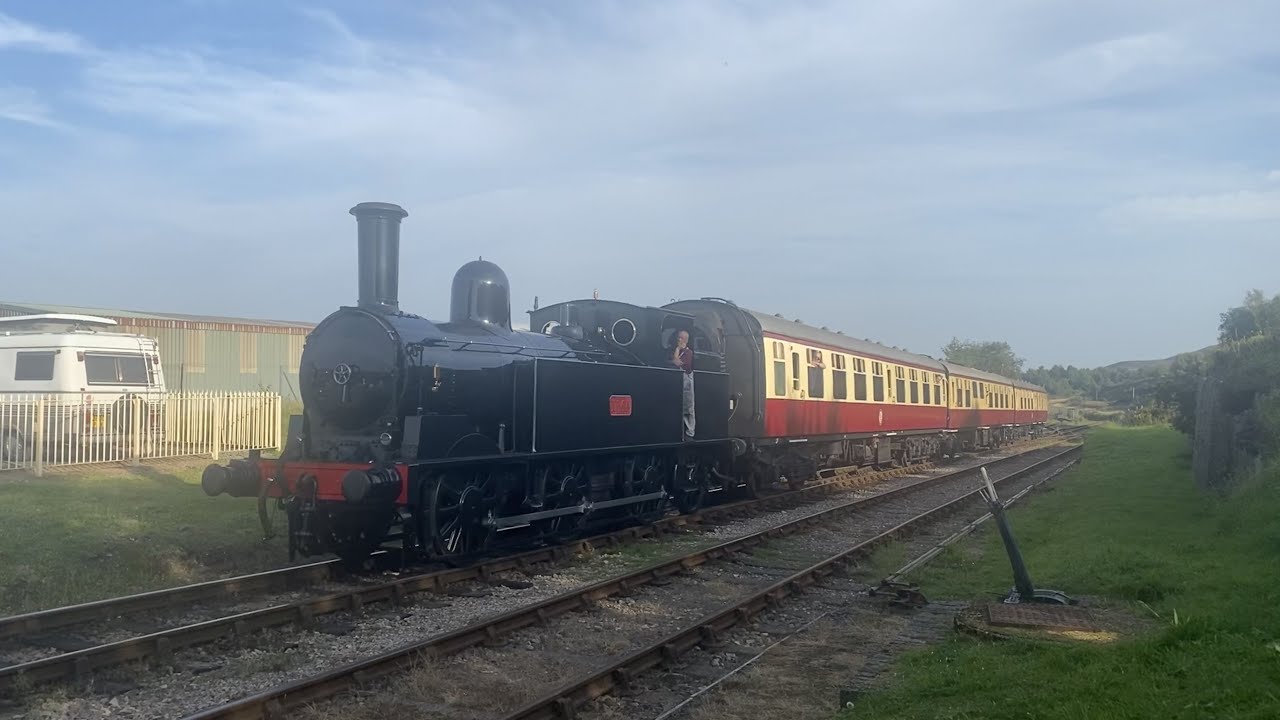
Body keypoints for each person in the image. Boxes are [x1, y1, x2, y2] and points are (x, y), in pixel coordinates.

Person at [672, 330, 695, 438]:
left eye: (680, 338)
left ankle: (690, 431)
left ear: (685, 340)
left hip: (686, 378)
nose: (678, 339)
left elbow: (677, 363)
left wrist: (677, 350)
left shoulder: (688, 352)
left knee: (688, 406)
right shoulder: (680, 352)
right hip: (679, 379)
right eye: (678, 337)